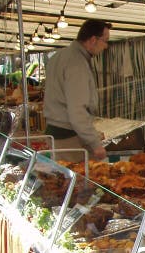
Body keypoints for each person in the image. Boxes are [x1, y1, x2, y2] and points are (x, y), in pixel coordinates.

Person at [43, 19, 111, 162]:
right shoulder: (77, 64)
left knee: (65, 179)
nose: (106, 47)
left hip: (57, 132)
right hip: (69, 136)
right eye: (105, 41)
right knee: (82, 180)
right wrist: (95, 143)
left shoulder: (59, 56)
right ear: (93, 40)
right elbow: (77, 109)